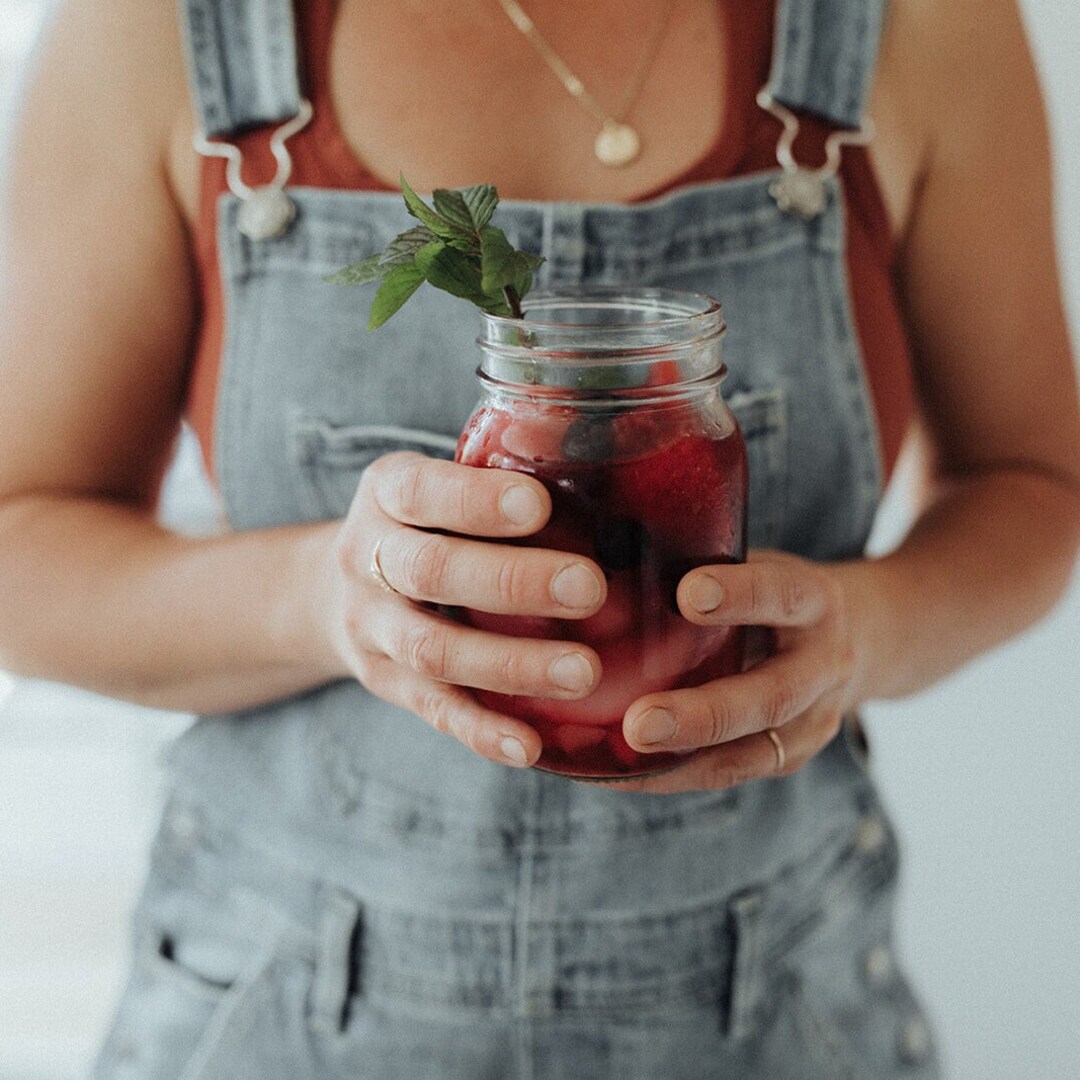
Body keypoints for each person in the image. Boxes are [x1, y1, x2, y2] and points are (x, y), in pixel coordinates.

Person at [1, 0, 1077, 1075]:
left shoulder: (926, 22)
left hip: (771, 998)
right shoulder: (150, 25)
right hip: (283, 1003)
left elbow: (1034, 483)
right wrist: (322, 599)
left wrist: (871, 629)